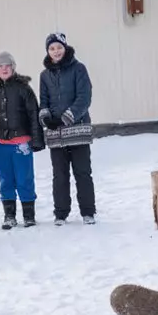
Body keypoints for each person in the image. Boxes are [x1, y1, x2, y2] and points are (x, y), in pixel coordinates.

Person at [0, 52, 45, 229]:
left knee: (24, 178)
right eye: (0, 66)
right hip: (0, 144)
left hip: (22, 143)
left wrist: (37, 139)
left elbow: (33, 114)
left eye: (7, 65)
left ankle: (29, 215)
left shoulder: (23, 88)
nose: (4, 68)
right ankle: (9, 215)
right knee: (6, 179)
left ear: (13, 68)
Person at [38, 32, 96, 225]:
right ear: (48, 51)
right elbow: (44, 100)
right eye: (52, 48)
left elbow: (84, 97)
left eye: (59, 47)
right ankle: (61, 213)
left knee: (82, 172)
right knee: (60, 175)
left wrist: (66, 117)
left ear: (65, 48)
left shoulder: (79, 69)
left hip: (77, 129)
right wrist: (46, 118)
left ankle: (88, 212)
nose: (56, 51)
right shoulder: (45, 75)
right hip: (56, 133)